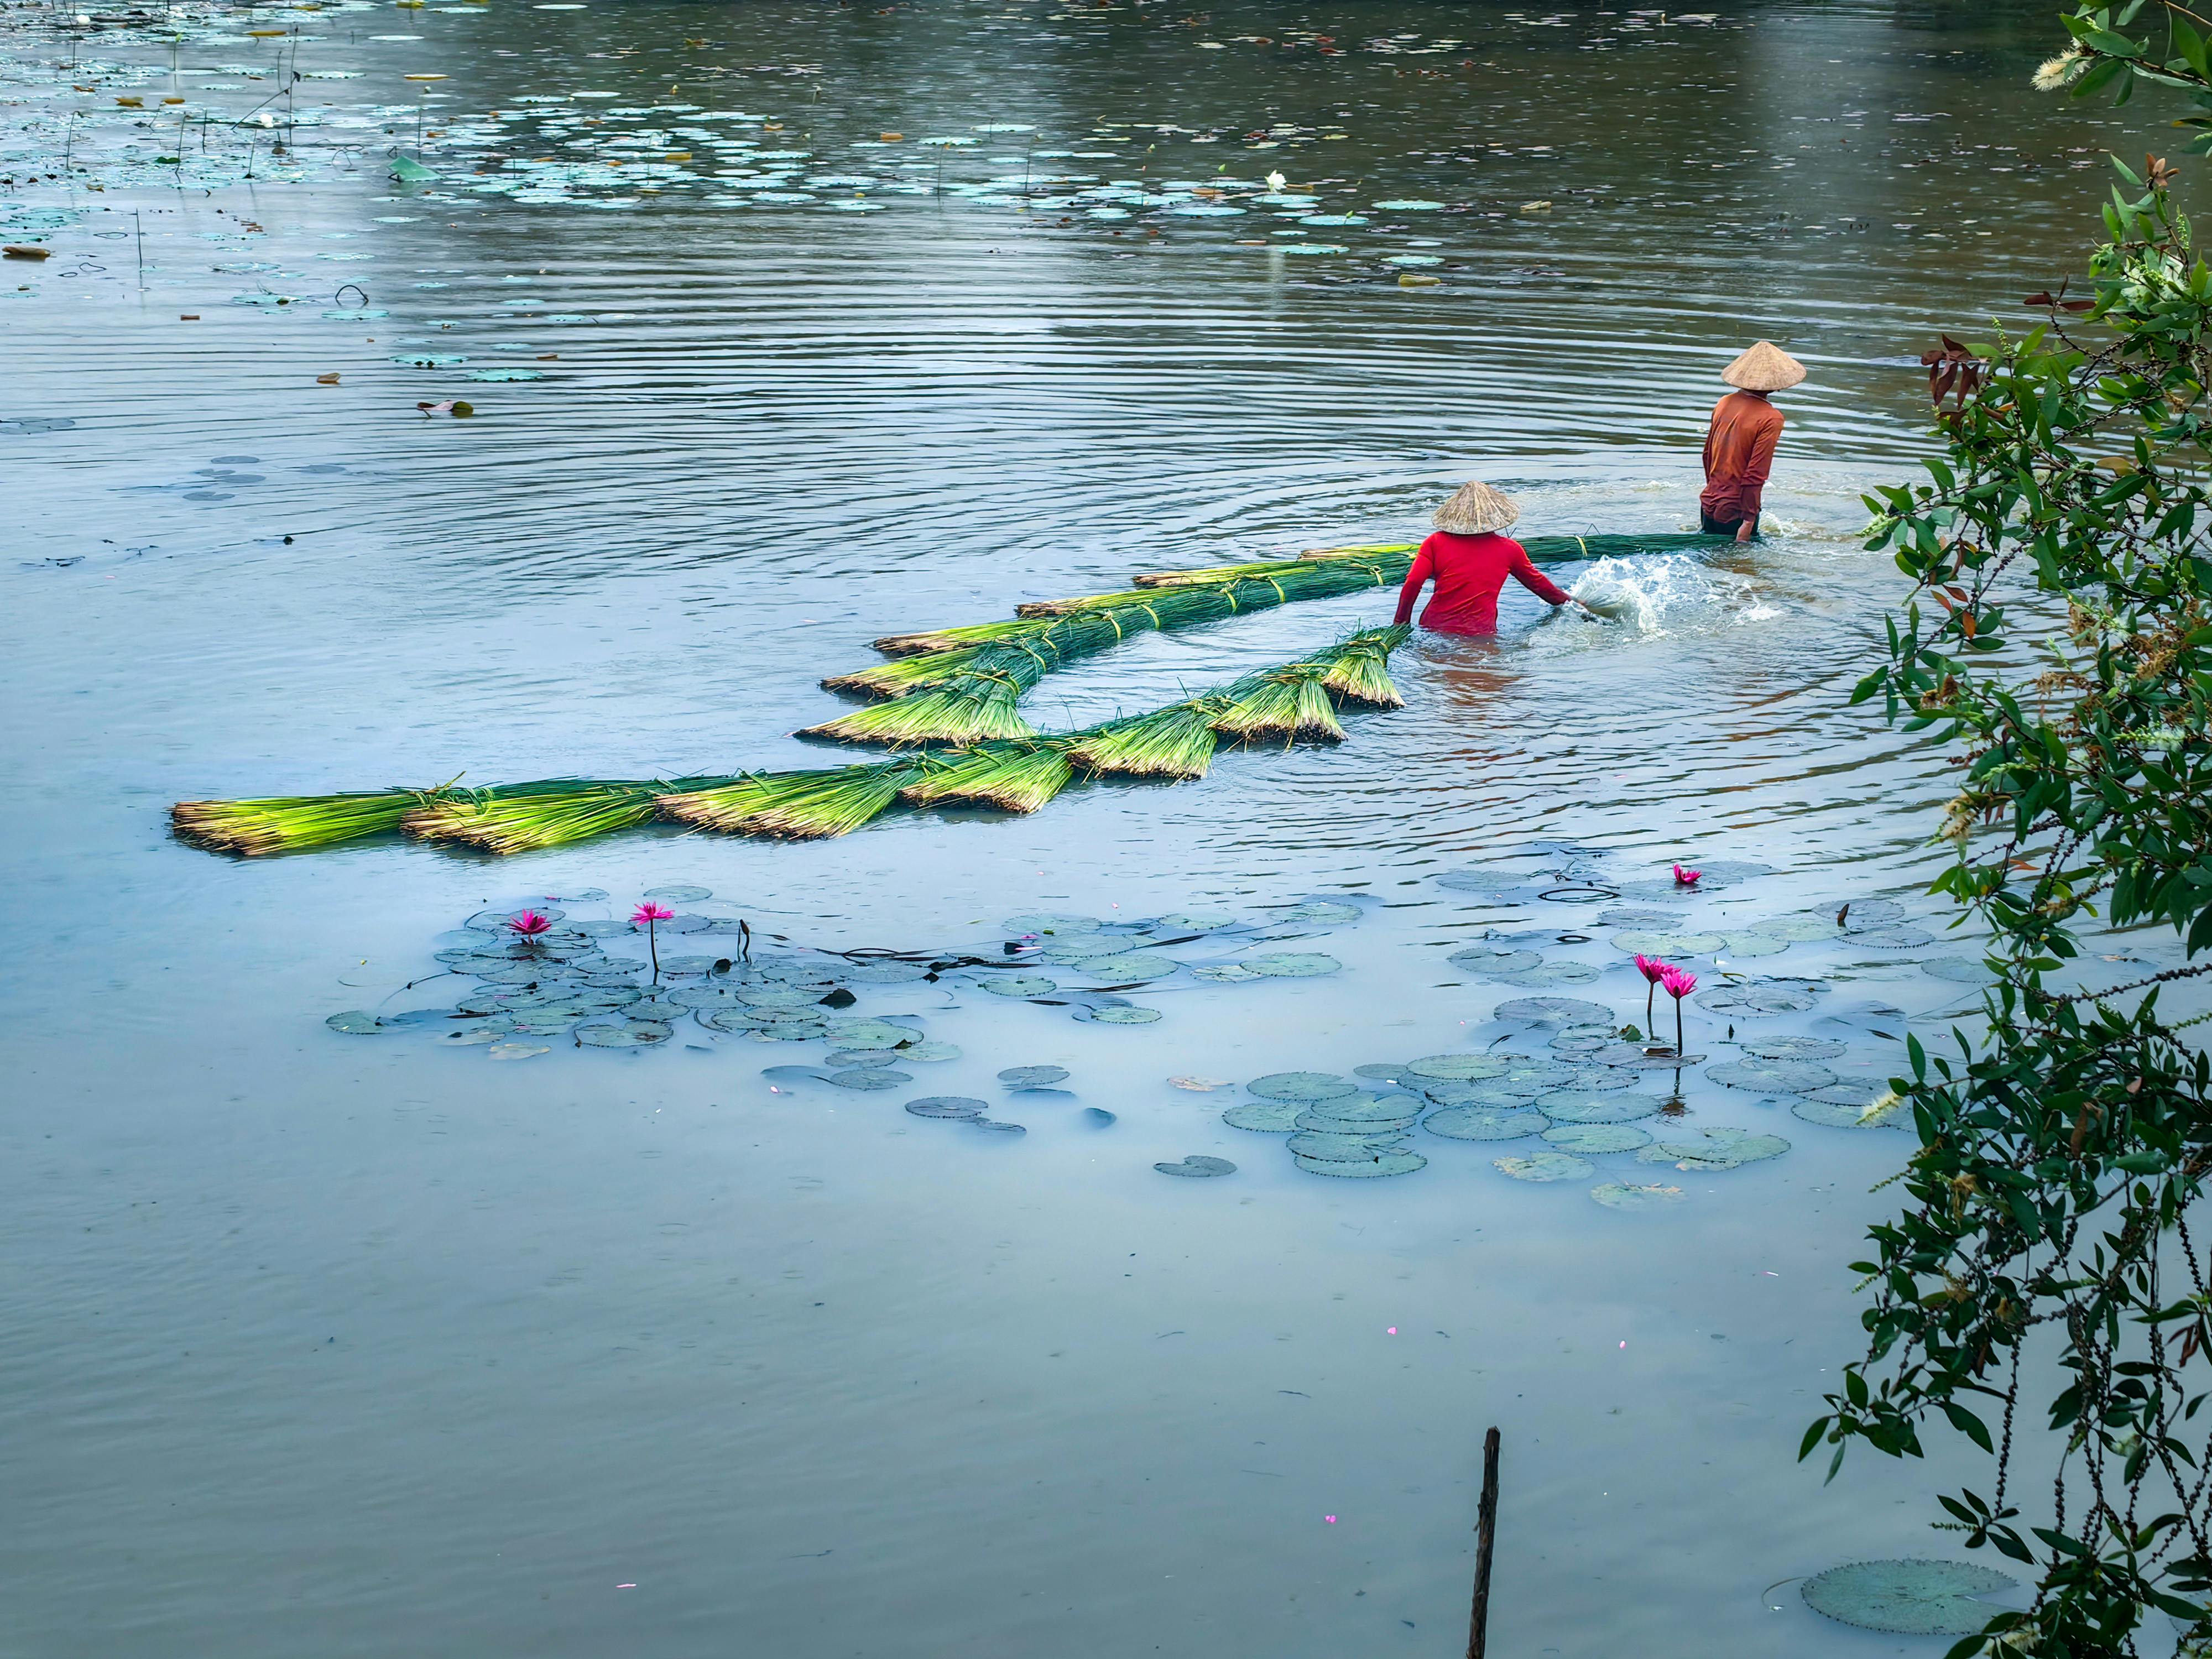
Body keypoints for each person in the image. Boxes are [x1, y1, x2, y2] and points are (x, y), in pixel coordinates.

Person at [1391, 481, 1584, 635]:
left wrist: (1401, 623)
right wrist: (1579, 606)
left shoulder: (1434, 542)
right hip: (1482, 633)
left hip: (1433, 629)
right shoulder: (1510, 550)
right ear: (1496, 517)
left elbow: (1414, 582)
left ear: (1454, 516)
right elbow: (1543, 589)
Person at [1700, 340, 1805, 542]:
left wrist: (1714, 493)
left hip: (1709, 502)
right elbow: (1755, 474)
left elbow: (1707, 455)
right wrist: (1748, 521)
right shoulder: (1770, 417)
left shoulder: (1724, 403)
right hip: (1736, 511)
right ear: (1778, 385)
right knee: (1739, 569)